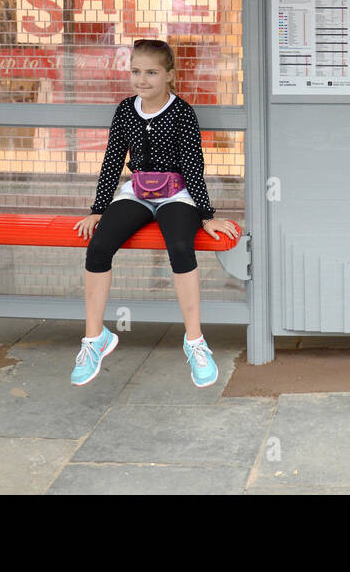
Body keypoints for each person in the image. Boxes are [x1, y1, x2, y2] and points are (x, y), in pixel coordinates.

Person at [71, 38, 240, 386]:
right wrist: (99, 209)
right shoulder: (124, 110)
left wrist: (207, 215)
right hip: (137, 192)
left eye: (151, 72)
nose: (142, 79)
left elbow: (194, 164)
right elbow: (113, 161)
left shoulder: (181, 112)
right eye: (135, 71)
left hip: (178, 195)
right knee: (99, 246)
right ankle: (95, 338)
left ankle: (194, 340)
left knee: (180, 246)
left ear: (169, 76)